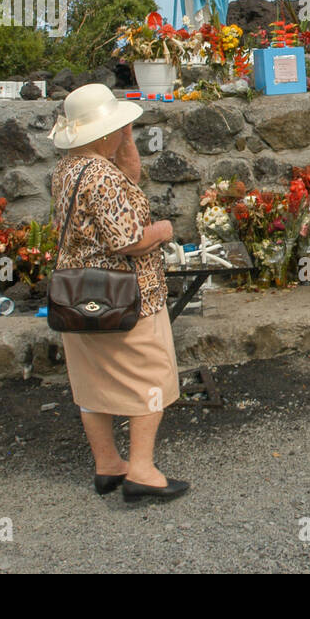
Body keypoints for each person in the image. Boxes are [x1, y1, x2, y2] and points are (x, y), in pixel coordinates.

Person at [48, 84, 189, 501]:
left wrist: (123, 135)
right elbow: (128, 240)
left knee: (93, 382)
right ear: (102, 131)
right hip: (127, 297)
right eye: (116, 126)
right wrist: (163, 230)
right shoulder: (102, 176)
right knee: (152, 376)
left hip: (78, 297)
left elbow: (129, 176)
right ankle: (141, 471)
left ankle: (108, 466)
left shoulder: (69, 168)